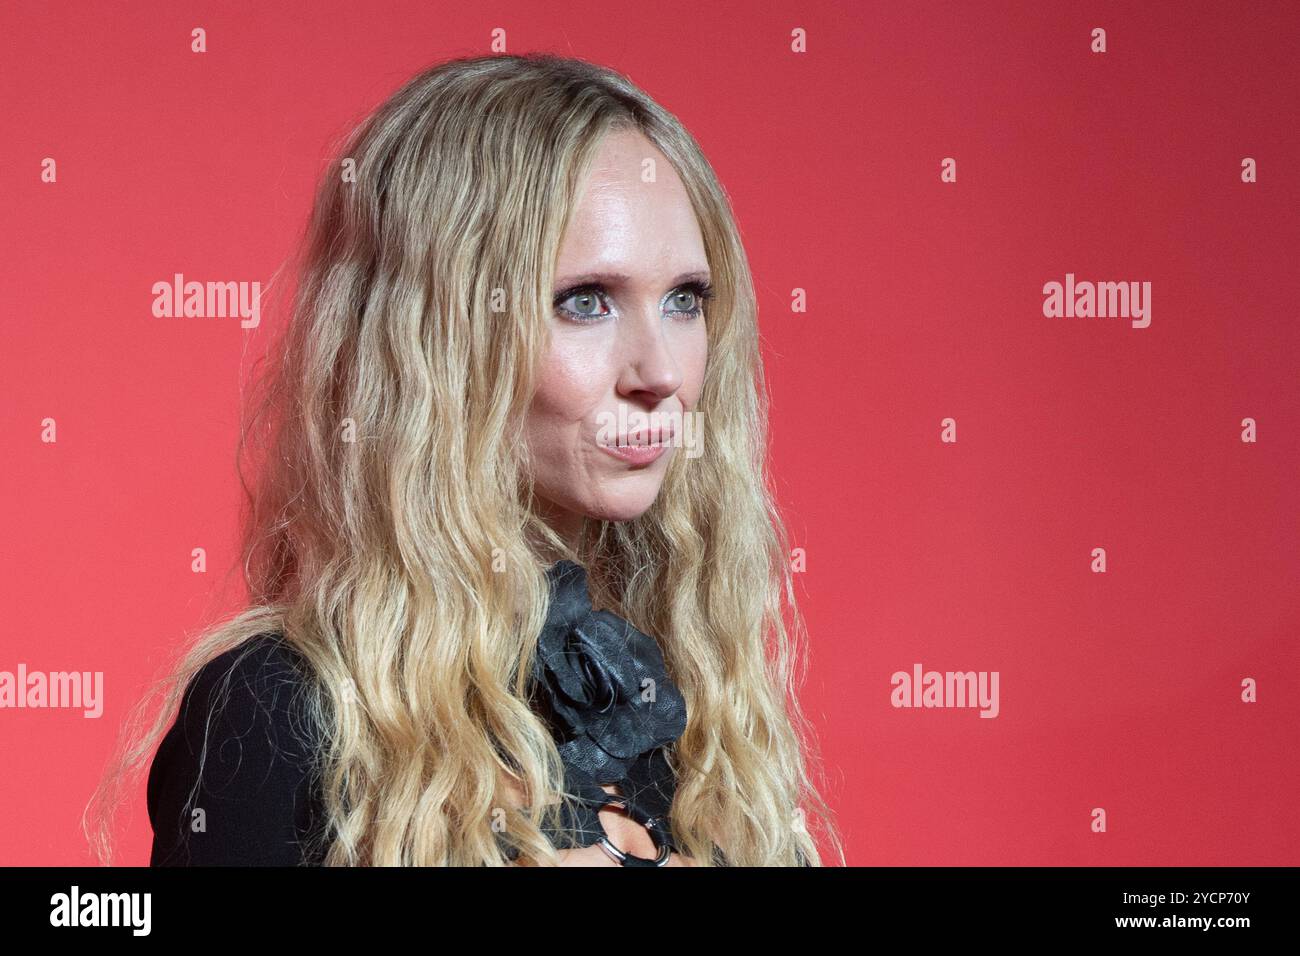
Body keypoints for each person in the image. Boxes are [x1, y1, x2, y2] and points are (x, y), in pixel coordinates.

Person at [85, 52, 843, 867]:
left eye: (685, 299)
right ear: (436, 339)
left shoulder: (693, 707)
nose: (660, 371)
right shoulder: (288, 710)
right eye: (584, 301)